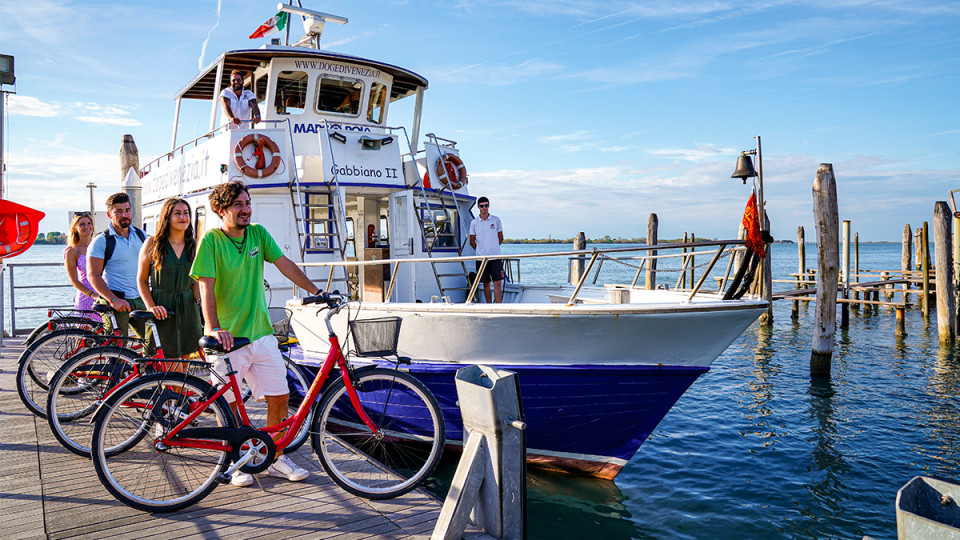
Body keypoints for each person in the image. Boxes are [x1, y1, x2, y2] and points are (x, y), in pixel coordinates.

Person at [190, 181, 323, 486]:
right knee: (231, 405)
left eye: (247, 203)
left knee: (280, 397)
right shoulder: (211, 240)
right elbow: (205, 286)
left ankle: (274, 456)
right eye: (238, 204)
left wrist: (316, 291)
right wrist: (214, 327)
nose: (246, 209)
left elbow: (284, 264)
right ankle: (238, 459)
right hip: (227, 338)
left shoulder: (258, 234)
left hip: (260, 333)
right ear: (221, 210)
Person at [136, 198, 203, 360]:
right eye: (177, 213)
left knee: (185, 366)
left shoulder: (193, 245)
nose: (183, 217)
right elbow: (142, 280)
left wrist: (202, 308)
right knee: (172, 366)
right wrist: (151, 307)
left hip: (188, 309)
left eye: (186, 213)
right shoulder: (153, 243)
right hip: (163, 310)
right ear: (167, 217)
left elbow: (195, 283)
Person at [88, 192, 149, 337]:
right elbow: (93, 275)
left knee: (153, 342)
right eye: (119, 211)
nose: (125, 215)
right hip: (115, 298)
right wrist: (113, 300)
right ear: (109, 214)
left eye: (127, 210)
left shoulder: (141, 235)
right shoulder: (102, 240)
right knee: (118, 346)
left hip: (139, 299)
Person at [63, 212, 101, 320]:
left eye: (89, 223)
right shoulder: (72, 251)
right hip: (86, 297)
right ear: (75, 228)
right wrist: (92, 294)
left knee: (106, 333)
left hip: (104, 294)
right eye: (82, 224)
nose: (87, 227)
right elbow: (74, 280)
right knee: (84, 334)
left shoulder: (99, 246)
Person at [468, 196, 505, 303]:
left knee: (498, 282)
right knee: (486, 283)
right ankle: (489, 305)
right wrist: (481, 249)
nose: (484, 208)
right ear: (478, 207)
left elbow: (501, 237)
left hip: (495, 256)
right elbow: (472, 241)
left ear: (489, 206)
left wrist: (493, 247)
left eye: (486, 205)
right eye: (482, 206)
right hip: (482, 258)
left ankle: (498, 306)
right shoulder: (474, 223)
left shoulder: (496, 220)